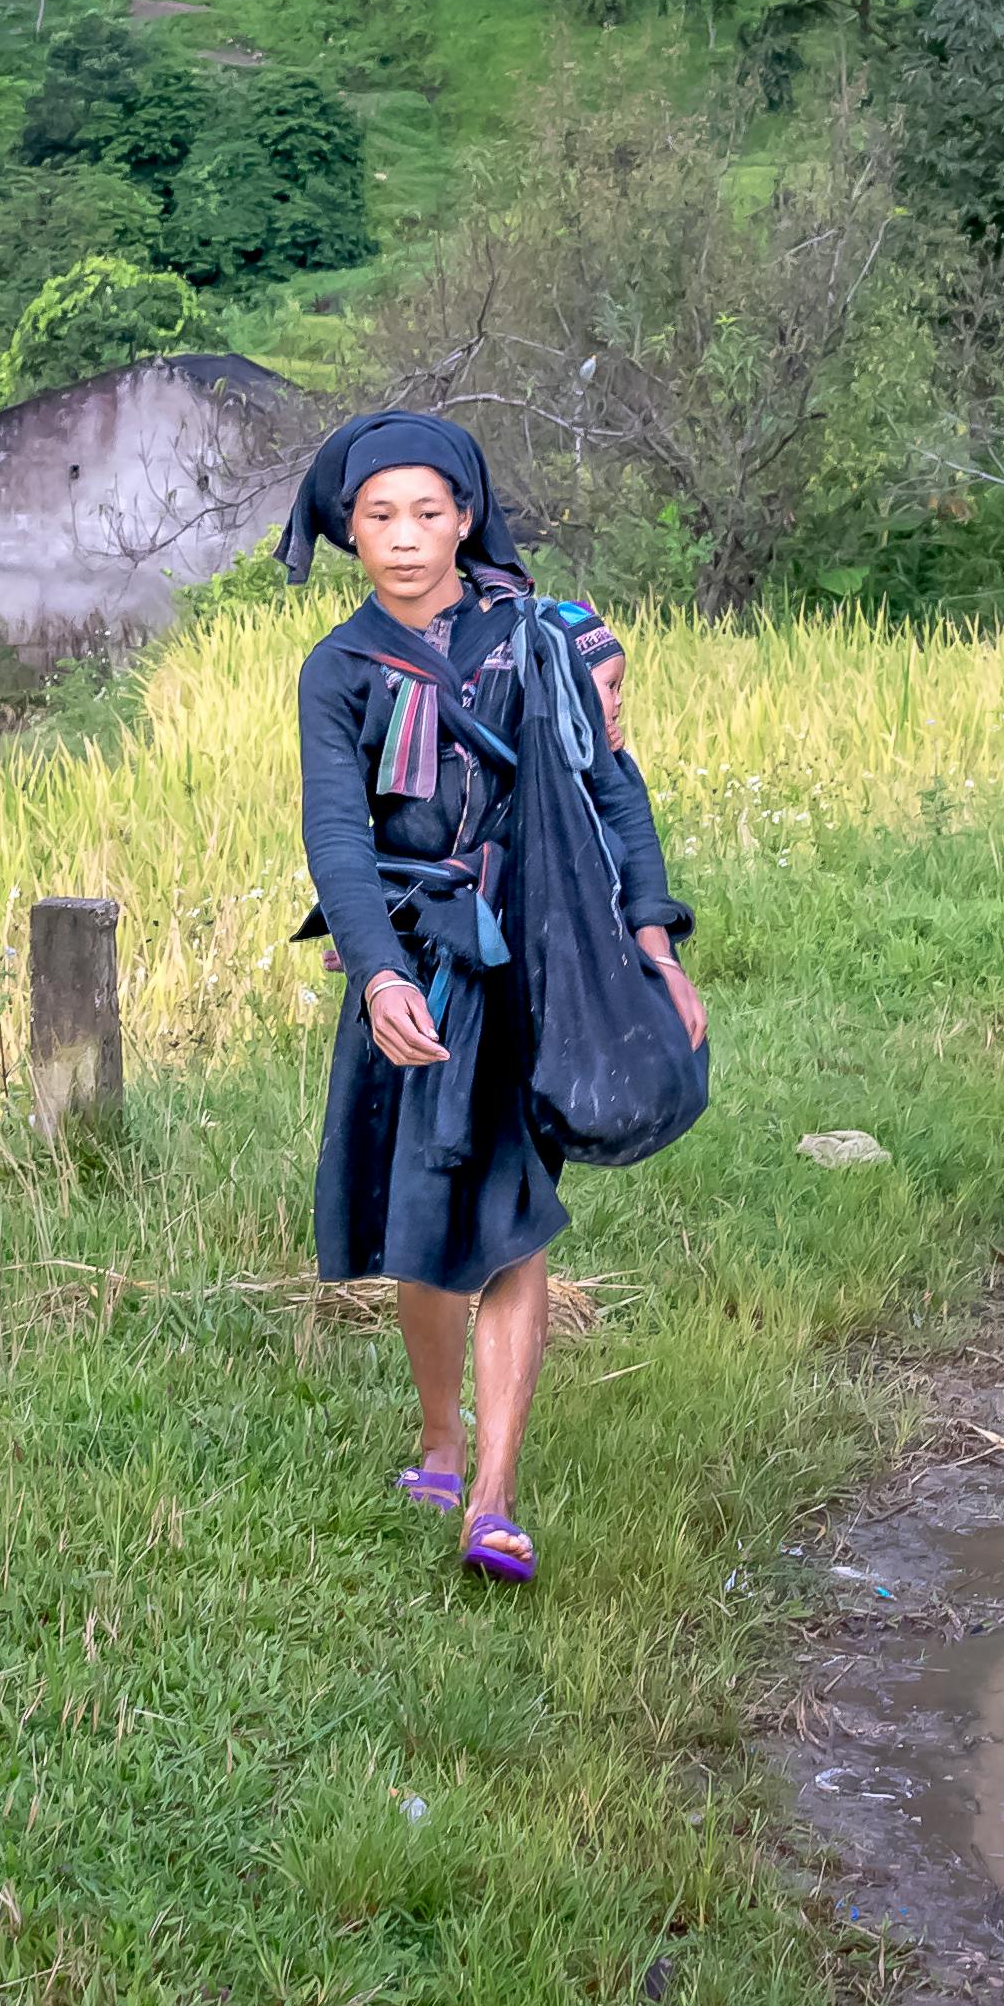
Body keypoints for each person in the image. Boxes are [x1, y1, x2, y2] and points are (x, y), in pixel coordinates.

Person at [285, 414, 708, 1585]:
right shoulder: (341, 669)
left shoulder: (536, 643)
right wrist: (376, 971)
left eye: (428, 512)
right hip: (419, 959)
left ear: (466, 517)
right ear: (347, 528)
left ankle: (495, 1497)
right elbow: (338, 835)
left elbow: (613, 792)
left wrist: (656, 943)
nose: (406, 538)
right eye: (380, 517)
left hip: (543, 956)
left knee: (514, 1216)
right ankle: (439, 1433)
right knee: (426, 1225)